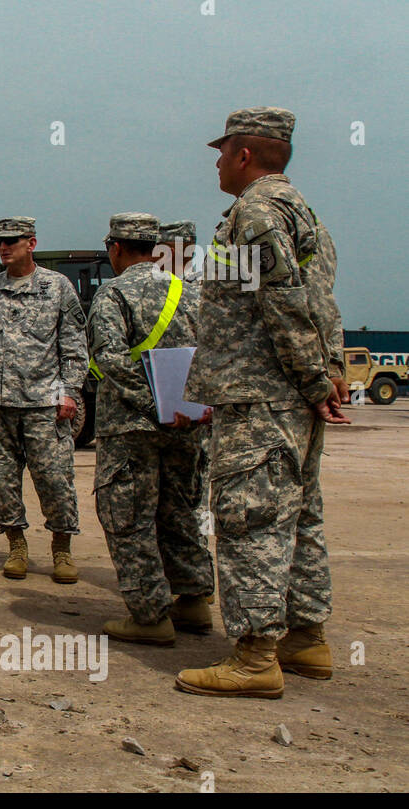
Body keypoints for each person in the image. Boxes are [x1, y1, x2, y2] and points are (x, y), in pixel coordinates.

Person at [177, 107, 349, 698]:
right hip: (287, 396)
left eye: (222, 153)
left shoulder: (255, 211)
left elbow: (282, 300)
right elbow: (321, 299)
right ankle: (306, 639)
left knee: (249, 520)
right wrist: (328, 370)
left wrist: (313, 378)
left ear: (244, 154)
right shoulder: (303, 211)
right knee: (299, 515)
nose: (219, 164)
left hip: (260, 396)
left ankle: (255, 659)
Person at [88, 213, 213, 645]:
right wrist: (188, 408)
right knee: (180, 511)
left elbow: (111, 361)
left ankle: (149, 615)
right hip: (187, 425)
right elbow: (211, 356)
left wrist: (154, 406)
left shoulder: (114, 293)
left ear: (116, 248)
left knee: (129, 517)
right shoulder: (193, 293)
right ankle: (194, 600)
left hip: (132, 429)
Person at [0, 217, 87, 583]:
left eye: (12, 240)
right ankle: (16, 546)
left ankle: (62, 549)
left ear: (31, 243)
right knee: (4, 482)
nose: (4, 247)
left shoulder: (57, 288)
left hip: (44, 406)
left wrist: (70, 391)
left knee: (56, 481)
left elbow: (74, 347)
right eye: (0, 241)